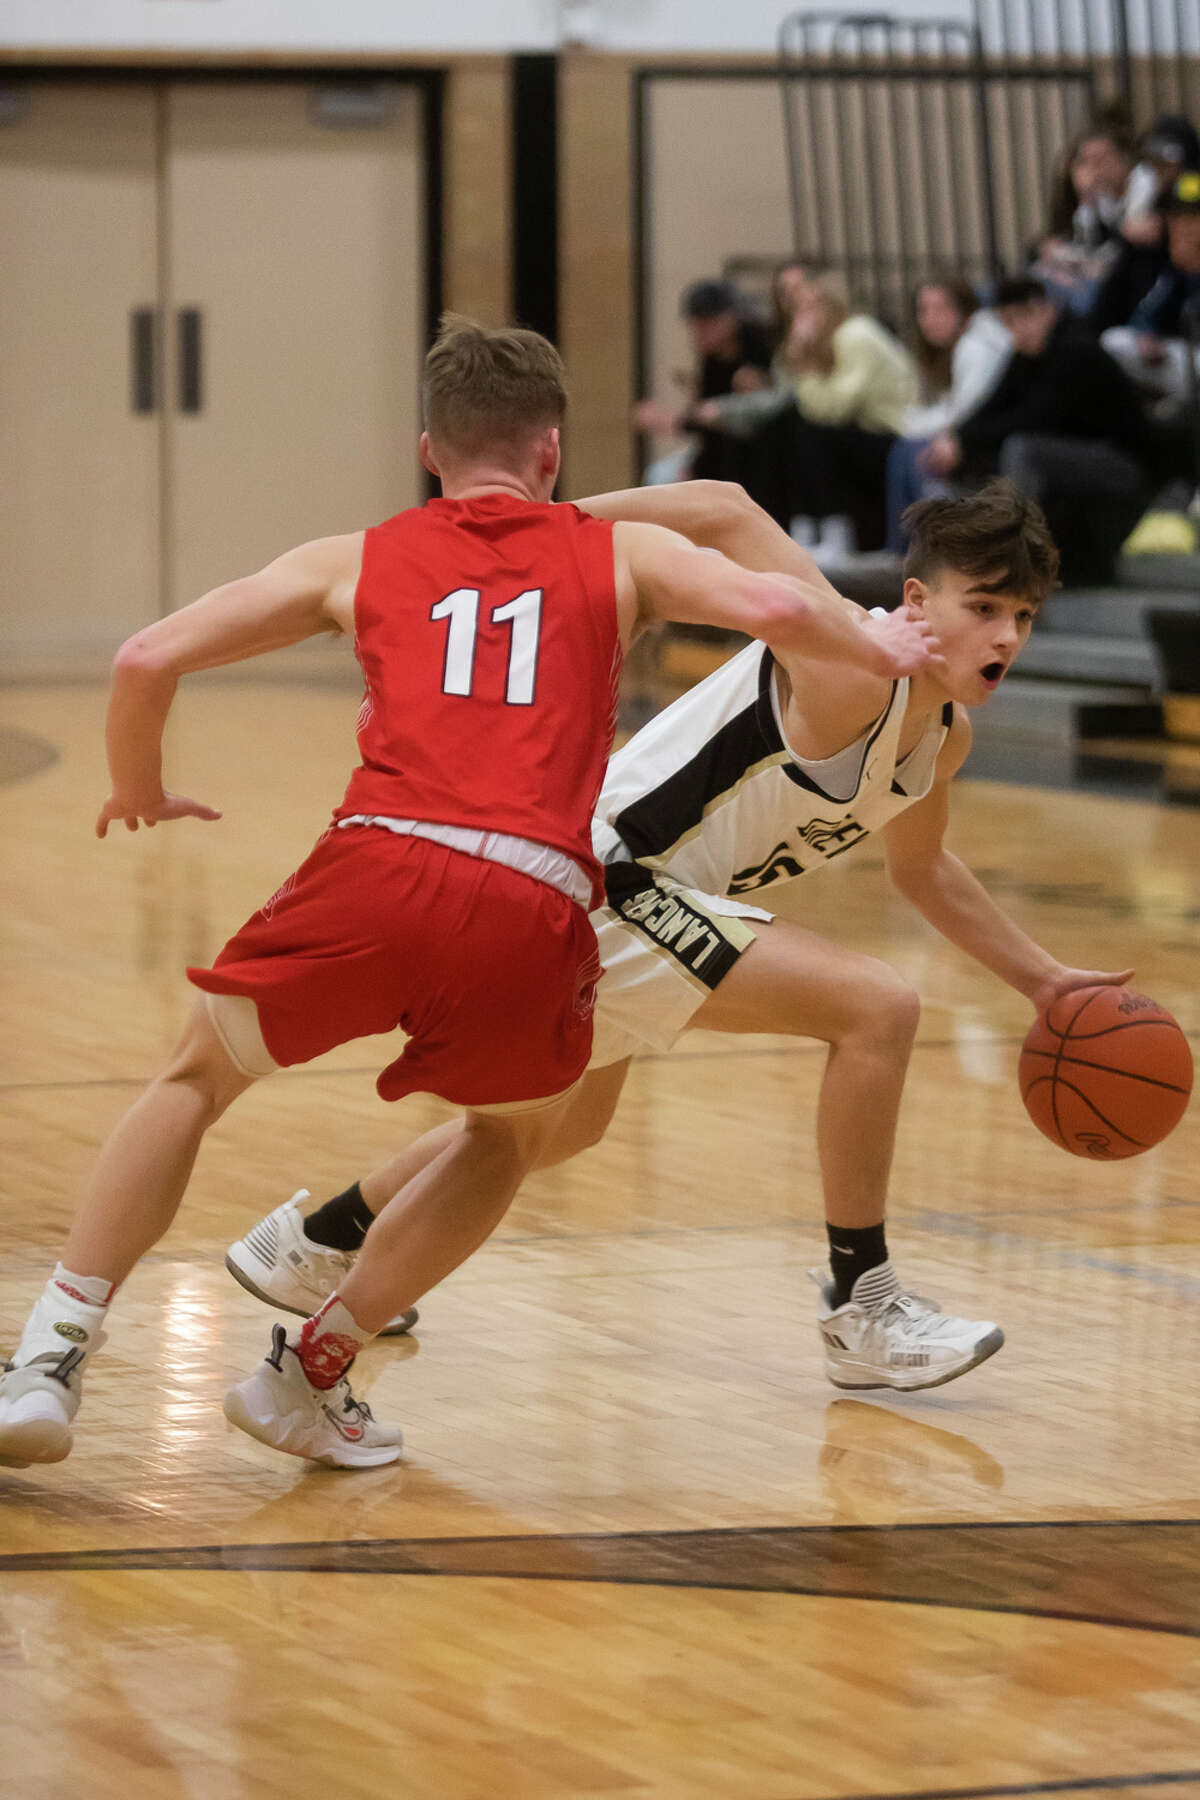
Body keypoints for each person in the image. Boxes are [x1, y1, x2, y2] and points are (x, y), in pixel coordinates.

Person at [0, 320, 942, 1473]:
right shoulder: (615, 552)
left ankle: (51, 1353)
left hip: (378, 865)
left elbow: (146, 657)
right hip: (531, 897)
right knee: (507, 1138)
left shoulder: (356, 554)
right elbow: (780, 611)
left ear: (428, 452)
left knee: (196, 1079)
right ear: (549, 452)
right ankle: (314, 1370)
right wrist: (879, 637)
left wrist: (140, 788)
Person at [227, 477, 1132, 1399]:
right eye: (982, 607)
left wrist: (1046, 982)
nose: (1007, 636)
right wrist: (533, 537)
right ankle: (865, 1306)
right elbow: (729, 509)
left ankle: (317, 1241)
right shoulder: (851, 662)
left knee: (562, 1127)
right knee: (877, 1010)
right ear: (915, 603)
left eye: (1020, 614)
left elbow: (923, 871)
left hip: (625, 898)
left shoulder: (942, 735)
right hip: (604, 878)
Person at [921, 276, 1160, 584]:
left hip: (1122, 463)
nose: (1016, 331)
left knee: (1023, 449)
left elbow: (1035, 416)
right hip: (1073, 456)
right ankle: (958, 558)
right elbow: (994, 404)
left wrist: (966, 440)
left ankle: (1014, 564)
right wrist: (956, 439)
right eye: (1007, 322)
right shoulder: (1026, 353)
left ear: (1045, 311)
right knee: (966, 455)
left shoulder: (1075, 349)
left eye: (1022, 318)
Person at [695, 272, 918, 556]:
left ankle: (830, 530)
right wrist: (798, 354)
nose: (803, 319)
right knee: (787, 428)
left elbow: (833, 408)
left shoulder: (855, 334)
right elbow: (793, 395)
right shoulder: (829, 343)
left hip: (897, 437)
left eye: (812, 308)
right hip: (864, 432)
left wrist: (803, 362)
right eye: (799, 310)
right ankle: (803, 527)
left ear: (831, 306)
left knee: (807, 431)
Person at [886, 276, 1011, 550]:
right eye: (924, 310)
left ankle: (923, 549)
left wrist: (924, 427)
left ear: (964, 310)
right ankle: (907, 548)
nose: (931, 319)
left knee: (916, 450)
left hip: (993, 437)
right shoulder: (955, 347)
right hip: (975, 431)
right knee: (905, 447)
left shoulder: (978, 344)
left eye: (941, 309)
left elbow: (968, 408)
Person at [634, 277, 773, 485]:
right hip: (723, 457)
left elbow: (733, 422)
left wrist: (673, 422)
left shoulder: (760, 353)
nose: (697, 333)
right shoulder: (713, 359)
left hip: (760, 465)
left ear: (731, 318)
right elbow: (709, 427)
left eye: (706, 324)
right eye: (694, 325)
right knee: (661, 475)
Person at [1101, 169, 1200, 424]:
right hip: (1181, 357)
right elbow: (1147, 313)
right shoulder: (1174, 270)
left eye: (1193, 216)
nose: (1184, 225)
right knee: (1114, 341)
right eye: (1178, 216)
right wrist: (1147, 335)